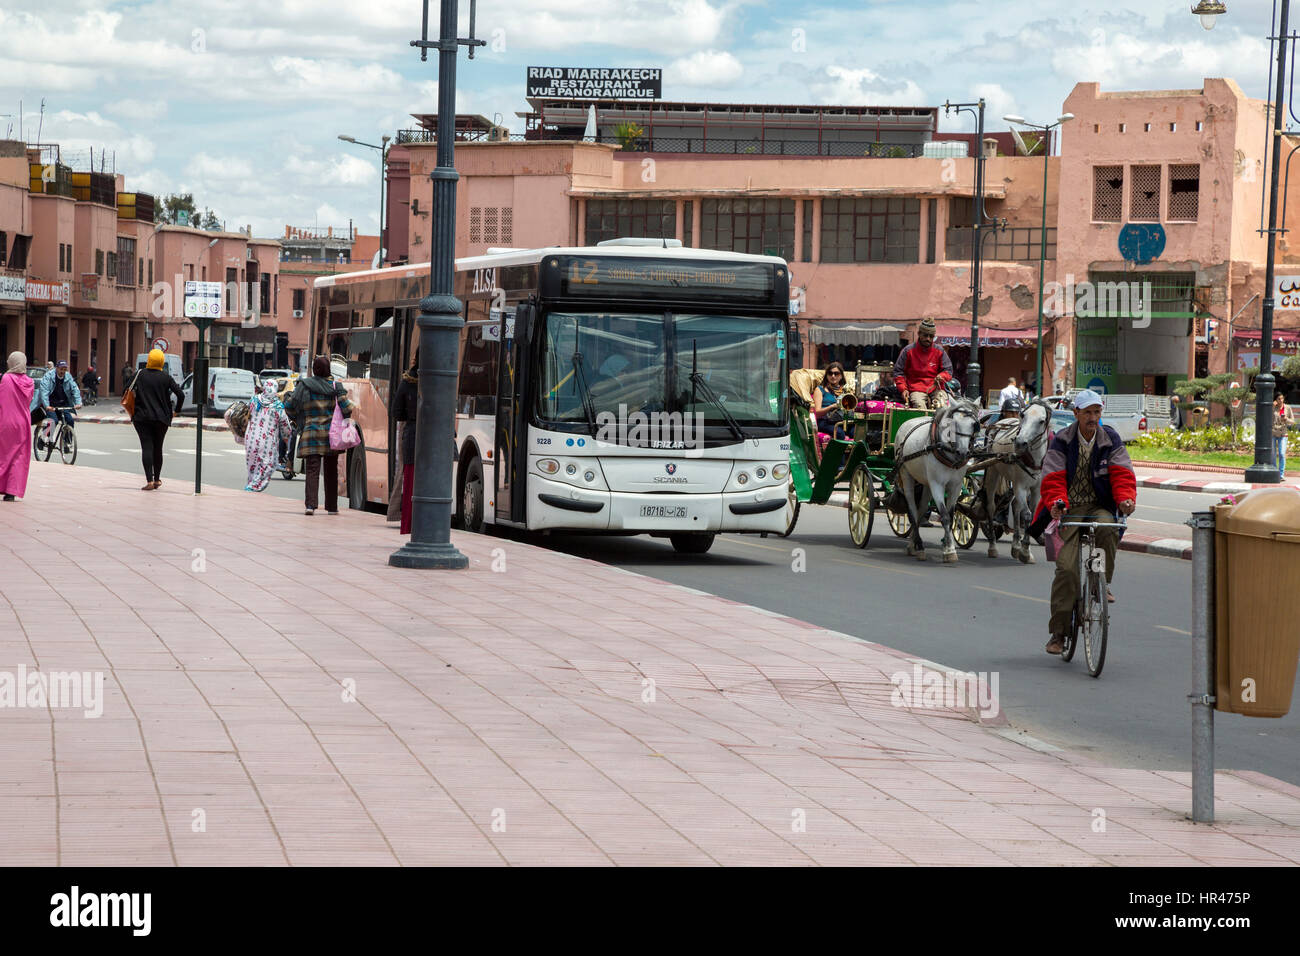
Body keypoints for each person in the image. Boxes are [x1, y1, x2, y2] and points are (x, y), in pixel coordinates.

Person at [1029, 390, 1137, 655]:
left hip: (1099, 505)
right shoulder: (1062, 440)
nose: (1092, 418)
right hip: (1069, 508)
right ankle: (1059, 633)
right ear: (1076, 413)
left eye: (1096, 412)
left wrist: (1125, 499)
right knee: (1066, 570)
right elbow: (1052, 476)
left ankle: (1102, 581)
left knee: (1107, 528)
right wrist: (1056, 503)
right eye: (1087, 412)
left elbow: (1123, 473)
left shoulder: (1109, 438)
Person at [284, 355, 356, 515]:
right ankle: (331, 507)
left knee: (312, 470)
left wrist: (299, 419)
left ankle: (310, 505)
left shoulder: (304, 386)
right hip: (331, 435)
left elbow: (290, 406)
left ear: (314, 369)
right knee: (331, 471)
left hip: (311, 433)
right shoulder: (336, 386)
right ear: (328, 369)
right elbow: (347, 408)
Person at [129, 349, 185, 491]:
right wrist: (176, 411)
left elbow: (126, 390)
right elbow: (181, 394)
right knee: (158, 448)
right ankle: (157, 479)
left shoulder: (139, 375)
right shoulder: (165, 377)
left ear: (149, 360)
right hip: (162, 418)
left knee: (147, 447)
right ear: (161, 361)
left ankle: (149, 481)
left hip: (142, 417)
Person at [894, 318, 954, 409]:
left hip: (936, 388)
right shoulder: (908, 351)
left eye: (931, 336)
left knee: (942, 406)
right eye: (925, 335)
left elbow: (948, 371)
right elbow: (898, 372)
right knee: (919, 406)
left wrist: (942, 376)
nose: (928, 339)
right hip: (916, 389)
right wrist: (903, 389)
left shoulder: (939, 351)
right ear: (919, 334)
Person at [243, 379, 292, 492]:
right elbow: (285, 426)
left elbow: (245, 414)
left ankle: (251, 483)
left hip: (250, 439)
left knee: (252, 465)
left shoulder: (254, 400)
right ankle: (254, 487)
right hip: (267, 442)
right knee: (268, 464)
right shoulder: (277, 405)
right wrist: (287, 438)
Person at [0, 352, 35, 501]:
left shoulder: (6, 379)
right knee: (18, 458)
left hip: (6, 421)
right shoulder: (30, 382)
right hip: (23, 423)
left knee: (4, 455)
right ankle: (11, 492)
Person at [392, 352, 420, 533]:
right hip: (436, 443)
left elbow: (396, 412)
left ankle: (408, 525)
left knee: (410, 483)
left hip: (412, 436)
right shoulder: (440, 381)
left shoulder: (407, 381)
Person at [36, 360, 82, 431]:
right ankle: (43, 438)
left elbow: (75, 389)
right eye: (61, 369)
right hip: (50, 404)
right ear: (56, 368)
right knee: (54, 421)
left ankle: (67, 440)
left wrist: (78, 403)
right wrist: (47, 405)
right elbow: (44, 391)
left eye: (64, 369)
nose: (63, 372)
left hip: (63, 404)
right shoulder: (49, 376)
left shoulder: (68, 376)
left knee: (70, 421)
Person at [1273, 394, 1294, 478]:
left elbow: (1292, 421)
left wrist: (1286, 419)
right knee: (1273, 454)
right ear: (1276, 400)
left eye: (1282, 398)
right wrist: (1271, 406)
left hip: (1283, 433)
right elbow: (1266, 416)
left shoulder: (1287, 408)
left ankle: (1281, 474)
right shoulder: (1273, 407)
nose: (1281, 400)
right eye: (1279, 399)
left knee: (1282, 453)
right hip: (1273, 432)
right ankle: (1274, 472)